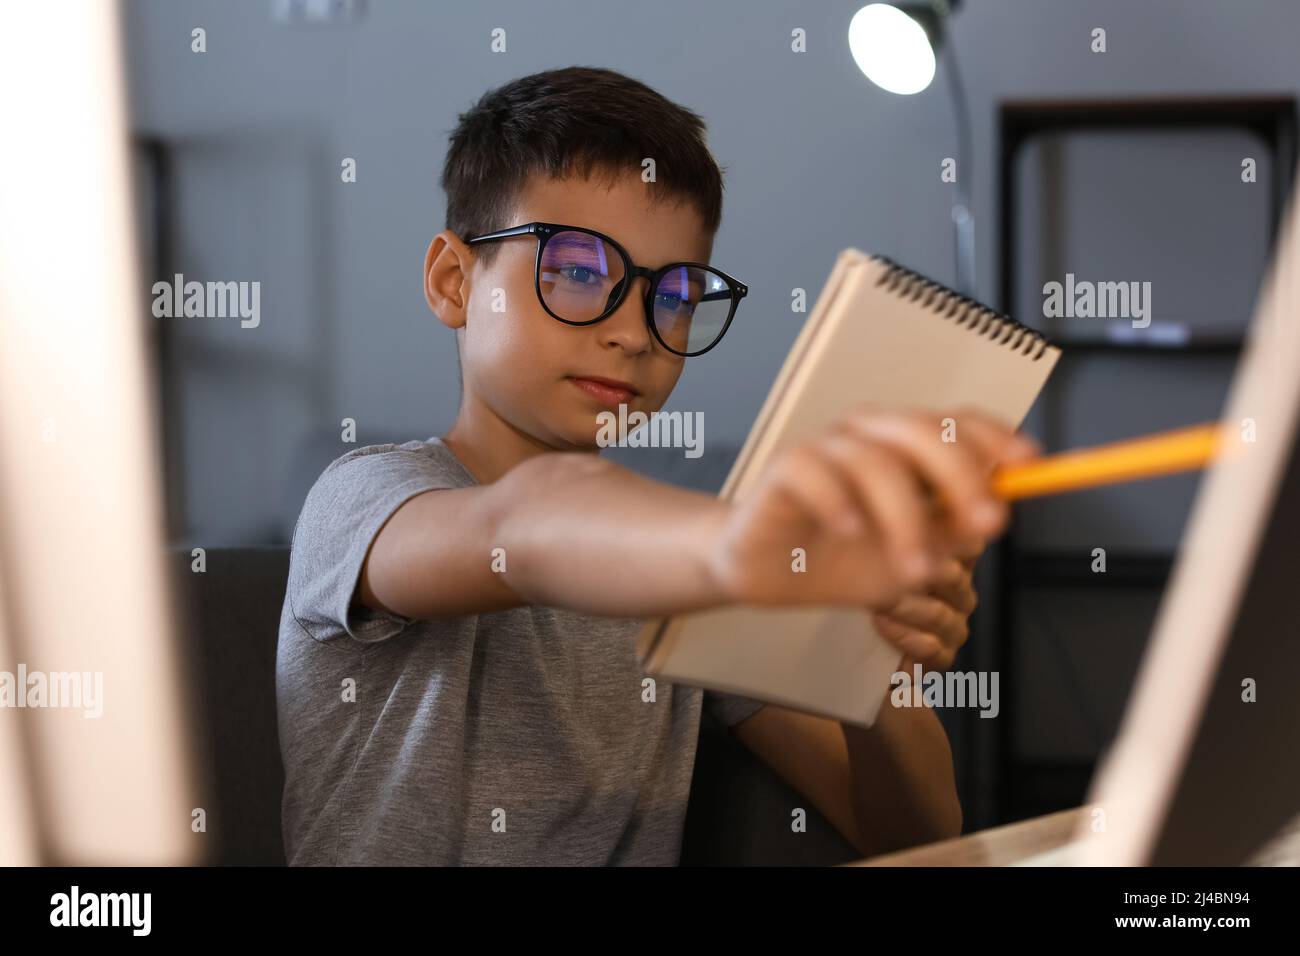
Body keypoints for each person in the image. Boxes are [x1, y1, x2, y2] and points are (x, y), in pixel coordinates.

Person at [275, 65, 1039, 865]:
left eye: (672, 293)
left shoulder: (686, 575)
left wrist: (872, 655)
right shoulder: (364, 497)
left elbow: (913, 838)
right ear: (454, 281)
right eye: (575, 269)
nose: (636, 332)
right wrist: (745, 547)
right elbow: (527, 530)